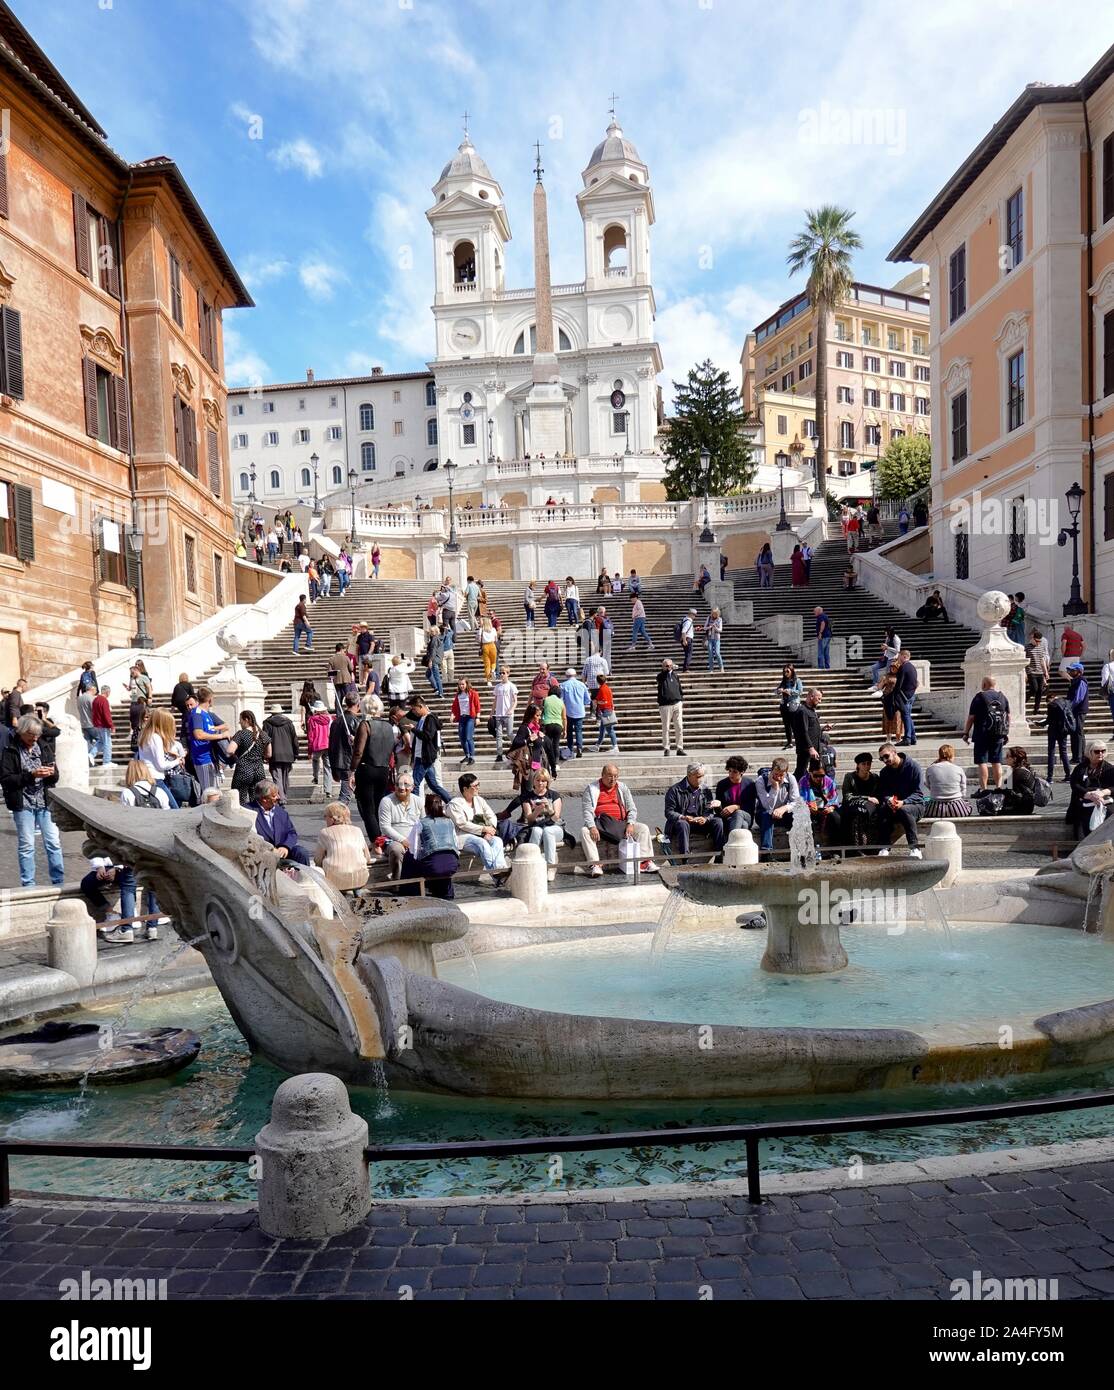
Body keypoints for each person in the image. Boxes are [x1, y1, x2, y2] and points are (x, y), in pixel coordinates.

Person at [1, 714, 64, 888]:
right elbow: (6, 780)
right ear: (21, 732)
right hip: (23, 804)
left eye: (37, 734)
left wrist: (51, 774)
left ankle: (59, 881)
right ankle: (28, 884)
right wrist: (31, 775)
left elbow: (56, 776)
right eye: (31, 734)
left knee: (53, 842)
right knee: (27, 845)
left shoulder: (43, 747)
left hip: (45, 802)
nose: (34, 738)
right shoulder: (10, 750)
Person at [577, 763, 658, 877]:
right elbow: (587, 811)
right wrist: (592, 827)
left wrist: (630, 823)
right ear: (602, 775)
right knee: (584, 831)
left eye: (616, 776)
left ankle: (644, 862)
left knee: (643, 829)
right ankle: (595, 864)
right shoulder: (592, 789)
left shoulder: (622, 787)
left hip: (621, 824)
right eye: (610, 776)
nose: (613, 779)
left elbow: (632, 808)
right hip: (601, 826)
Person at [448, 773, 509, 883]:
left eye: (478, 784)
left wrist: (490, 831)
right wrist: (483, 829)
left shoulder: (479, 800)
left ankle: (500, 870)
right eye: (475, 786)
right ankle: (497, 874)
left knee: (498, 841)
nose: (478, 788)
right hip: (463, 836)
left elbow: (492, 816)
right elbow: (462, 824)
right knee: (482, 843)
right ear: (465, 788)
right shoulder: (454, 804)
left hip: (484, 834)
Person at [505, 769, 563, 881]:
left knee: (548, 831)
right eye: (538, 780)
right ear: (534, 781)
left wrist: (549, 808)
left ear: (547, 782)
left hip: (555, 828)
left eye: (544, 781)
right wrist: (536, 811)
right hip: (537, 826)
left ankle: (550, 867)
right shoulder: (527, 797)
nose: (540, 783)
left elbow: (556, 818)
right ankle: (532, 862)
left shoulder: (554, 795)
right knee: (536, 830)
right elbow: (530, 820)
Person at [399, 794, 460, 898]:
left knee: (409, 856)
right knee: (442, 861)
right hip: (453, 865)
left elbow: (414, 849)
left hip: (433, 866)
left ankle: (409, 891)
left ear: (426, 808)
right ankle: (446, 893)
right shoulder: (449, 821)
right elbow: (456, 844)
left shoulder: (421, 823)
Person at [665, 762, 727, 858]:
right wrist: (683, 817)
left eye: (702, 776)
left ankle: (719, 856)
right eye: (698, 777)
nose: (701, 779)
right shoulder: (675, 790)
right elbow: (669, 812)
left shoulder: (705, 790)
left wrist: (705, 818)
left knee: (718, 821)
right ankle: (685, 857)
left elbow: (709, 810)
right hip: (682, 823)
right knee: (682, 823)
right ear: (689, 775)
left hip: (699, 822)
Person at [875, 743, 925, 858]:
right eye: (881, 758)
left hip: (915, 805)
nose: (884, 760)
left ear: (894, 752)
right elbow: (884, 793)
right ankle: (884, 847)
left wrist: (904, 802)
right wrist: (889, 800)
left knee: (904, 810)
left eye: (886, 756)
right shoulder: (884, 772)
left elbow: (918, 793)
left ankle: (914, 848)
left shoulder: (913, 767)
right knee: (882, 810)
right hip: (894, 805)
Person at [312, 802, 372, 894]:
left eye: (325, 816)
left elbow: (317, 860)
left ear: (332, 818)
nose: (324, 819)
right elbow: (367, 858)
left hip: (334, 880)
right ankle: (357, 892)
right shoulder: (357, 830)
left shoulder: (325, 832)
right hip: (361, 878)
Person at [249, 779, 311, 865]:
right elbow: (249, 837)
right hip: (262, 852)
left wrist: (285, 846)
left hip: (282, 851)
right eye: (274, 796)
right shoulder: (248, 811)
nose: (278, 797)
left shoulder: (281, 812)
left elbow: (291, 832)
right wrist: (269, 849)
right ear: (264, 799)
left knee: (301, 853)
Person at [964, 676, 1009, 790]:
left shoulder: (979, 697)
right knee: (996, 762)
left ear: (984, 684)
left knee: (982, 762)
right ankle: (998, 787)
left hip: (982, 734)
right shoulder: (1003, 697)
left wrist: (966, 732)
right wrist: (1006, 731)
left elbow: (971, 717)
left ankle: (984, 789)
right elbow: (1008, 716)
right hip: (998, 734)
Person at [137, 708, 185, 808]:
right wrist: (177, 761)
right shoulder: (155, 737)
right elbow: (161, 765)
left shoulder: (145, 735)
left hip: (146, 776)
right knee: (174, 808)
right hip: (155, 778)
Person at [408, 694, 452, 802]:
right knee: (433, 785)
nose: (414, 712)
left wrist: (413, 729)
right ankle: (450, 802)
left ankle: (416, 810)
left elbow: (427, 736)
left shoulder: (429, 718)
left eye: (414, 709)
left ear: (421, 706)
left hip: (424, 757)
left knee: (415, 784)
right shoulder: (422, 718)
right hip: (421, 756)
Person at [188, 687, 231, 795]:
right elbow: (198, 734)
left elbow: (206, 731)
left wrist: (215, 730)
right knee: (210, 794)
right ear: (210, 699)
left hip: (210, 756)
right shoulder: (197, 713)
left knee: (214, 792)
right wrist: (221, 736)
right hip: (203, 758)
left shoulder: (206, 714)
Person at [1066, 741, 1114, 840]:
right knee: (1084, 812)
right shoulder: (1080, 768)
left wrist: (1102, 793)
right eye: (1097, 751)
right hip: (1084, 799)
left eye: (1103, 751)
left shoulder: (1110, 769)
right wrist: (1089, 795)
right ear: (1089, 752)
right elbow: (1075, 785)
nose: (1100, 754)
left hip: (1104, 800)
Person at [378, 770, 421, 878]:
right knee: (396, 850)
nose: (402, 788)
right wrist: (403, 840)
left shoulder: (419, 801)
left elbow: (424, 822)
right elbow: (385, 827)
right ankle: (397, 881)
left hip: (415, 838)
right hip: (394, 839)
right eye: (398, 784)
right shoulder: (386, 801)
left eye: (406, 785)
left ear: (412, 787)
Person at [755, 758, 798, 853]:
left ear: (786, 773)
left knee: (798, 816)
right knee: (766, 815)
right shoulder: (761, 781)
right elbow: (767, 806)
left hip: (783, 813)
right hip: (764, 814)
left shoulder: (791, 779)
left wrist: (784, 808)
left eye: (781, 775)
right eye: (776, 774)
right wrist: (775, 788)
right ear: (771, 770)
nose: (778, 778)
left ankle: (799, 851)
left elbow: (796, 802)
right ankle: (767, 852)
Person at [840, 753, 881, 850]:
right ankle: (855, 846)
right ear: (858, 765)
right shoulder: (850, 777)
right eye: (864, 764)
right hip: (853, 806)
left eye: (869, 763)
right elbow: (847, 796)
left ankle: (871, 846)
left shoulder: (875, 778)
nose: (867, 766)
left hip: (869, 807)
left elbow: (878, 796)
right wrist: (866, 798)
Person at [260, 703, 299, 802]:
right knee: (285, 777)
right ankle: (283, 795)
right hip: (288, 754)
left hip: (275, 754)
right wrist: (295, 752)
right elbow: (294, 738)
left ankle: (281, 798)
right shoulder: (289, 723)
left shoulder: (267, 723)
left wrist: (264, 754)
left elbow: (264, 740)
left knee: (277, 777)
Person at [228, 710, 267, 807]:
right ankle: (258, 818)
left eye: (240, 720)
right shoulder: (262, 734)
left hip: (244, 769)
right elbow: (269, 753)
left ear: (246, 720)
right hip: (259, 770)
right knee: (257, 799)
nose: (239, 722)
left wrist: (236, 756)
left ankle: (241, 819)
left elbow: (230, 750)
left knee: (239, 799)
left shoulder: (241, 734)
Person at [800, 760, 842, 849]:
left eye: (821, 776)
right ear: (810, 772)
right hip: (809, 809)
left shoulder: (828, 781)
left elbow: (834, 797)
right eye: (816, 776)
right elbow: (801, 798)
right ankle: (808, 849)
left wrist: (831, 807)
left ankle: (835, 849)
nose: (819, 778)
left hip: (825, 808)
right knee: (805, 819)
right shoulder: (803, 781)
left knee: (836, 818)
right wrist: (808, 807)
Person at [791, 688, 829, 782]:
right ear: (811, 696)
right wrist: (810, 748)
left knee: (815, 773)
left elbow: (811, 729)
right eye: (818, 699)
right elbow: (803, 731)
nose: (820, 701)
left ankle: (814, 792)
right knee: (801, 772)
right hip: (806, 749)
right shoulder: (802, 711)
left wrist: (822, 729)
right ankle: (791, 790)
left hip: (815, 749)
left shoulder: (811, 710)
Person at [925, 744, 972, 817]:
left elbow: (928, 785)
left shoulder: (930, 769)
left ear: (939, 756)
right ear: (952, 756)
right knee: (968, 804)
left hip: (935, 809)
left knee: (925, 803)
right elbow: (963, 791)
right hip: (957, 808)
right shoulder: (958, 769)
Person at [508, 703, 545, 791]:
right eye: (537, 715)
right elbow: (516, 742)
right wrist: (528, 740)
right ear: (531, 715)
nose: (539, 718)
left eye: (540, 715)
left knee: (536, 793)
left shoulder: (537, 728)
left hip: (538, 764)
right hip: (528, 766)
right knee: (527, 793)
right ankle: (512, 806)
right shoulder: (524, 728)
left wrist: (543, 737)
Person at [713, 757, 753, 835]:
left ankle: (731, 841)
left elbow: (750, 807)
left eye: (735, 772)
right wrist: (717, 805)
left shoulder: (750, 784)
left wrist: (736, 807)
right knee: (743, 825)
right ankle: (737, 844)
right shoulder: (722, 784)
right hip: (728, 818)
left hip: (746, 815)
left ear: (742, 772)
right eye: (729, 771)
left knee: (738, 813)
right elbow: (719, 809)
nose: (731, 774)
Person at [559, 666, 591, 759]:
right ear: (575, 675)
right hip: (579, 711)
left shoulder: (563, 685)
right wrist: (581, 703)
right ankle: (579, 749)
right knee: (579, 731)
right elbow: (587, 700)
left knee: (569, 731)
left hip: (568, 711)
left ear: (566, 675)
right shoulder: (582, 685)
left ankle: (570, 749)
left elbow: (561, 700)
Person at [657, 658, 685, 756]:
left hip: (677, 703)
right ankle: (666, 748)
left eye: (670, 665)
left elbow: (679, 687)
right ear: (663, 667)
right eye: (667, 666)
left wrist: (681, 698)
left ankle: (680, 748)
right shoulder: (661, 676)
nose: (669, 667)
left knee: (679, 726)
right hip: (665, 705)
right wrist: (665, 670)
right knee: (666, 727)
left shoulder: (675, 675)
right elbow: (660, 678)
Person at [491, 667, 518, 764]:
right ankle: (499, 754)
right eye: (500, 673)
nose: (502, 675)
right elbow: (495, 701)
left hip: (508, 714)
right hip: (498, 714)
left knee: (510, 734)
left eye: (503, 673)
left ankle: (519, 747)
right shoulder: (497, 686)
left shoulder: (511, 686)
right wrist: (491, 712)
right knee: (499, 735)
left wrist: (511, 709)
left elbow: (515, 701)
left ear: (508, 674)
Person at [306, 700, 334, 795]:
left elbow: (310, 736)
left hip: (317, 745)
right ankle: (328, 790)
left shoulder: (311, 720)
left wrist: (309, 751)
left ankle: (316, 777)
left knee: (315, 760)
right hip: (328, 744)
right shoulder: (330, 718)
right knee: (328, 767)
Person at [451, 678, 480, 767]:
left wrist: (478, 718)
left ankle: (472, 756)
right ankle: (467, 755)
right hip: (462, 718)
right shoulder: (458, 695)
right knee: (462, 738)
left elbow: (477, 706)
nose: (461, 686)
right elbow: (454, 707)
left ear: (467, 684)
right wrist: (452, 715)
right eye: (460, 684)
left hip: (470, 718)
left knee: (468, 737)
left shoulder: (473, 693)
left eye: (463, 684)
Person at [1002, 746, 1039, 816]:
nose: (1005, 758)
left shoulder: (1018, 772)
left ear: (1014, 759)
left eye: (1007, 756)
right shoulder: (1023, 770)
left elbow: (1004, 789)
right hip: (1026, 806)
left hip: (1019, 808)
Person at [893, 649, 919, 745]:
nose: (898, 658)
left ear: (904, 656)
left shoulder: (903, 667)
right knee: (908, 716)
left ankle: (907, 738)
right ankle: (913, 737)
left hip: (904, 696)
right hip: (911, 695)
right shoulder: (912, 667)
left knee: (906, 716)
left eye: (899, 656)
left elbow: (899, 684)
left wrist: (894, 695)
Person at [776, 664, 803, 751]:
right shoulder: (783, 681)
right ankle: (789, 742)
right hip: (784, 705)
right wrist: (779, 691)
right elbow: (775, 691)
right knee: (787, 725)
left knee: (795, 725)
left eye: (787, 671)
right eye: (784, 671)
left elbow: (800, 691)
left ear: (792, 671)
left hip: (793, 704)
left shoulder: (797, 680)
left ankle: (799, 742)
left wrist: (790, 691)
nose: (785, 673)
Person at [1067, 662, 1090, 765]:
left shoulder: (1081, 681)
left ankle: (1079, 757)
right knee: (1075, 733)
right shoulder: (1074, 681)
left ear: (1079, 672)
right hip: (1074, 710)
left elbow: (1078, 698)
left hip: (1079, 710)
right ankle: (1077, 756)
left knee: (1078, 733)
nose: (1070, 672)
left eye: (1073, 670)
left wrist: (1068, 707)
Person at [1028, 628, 1051, 717]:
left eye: (1039, 641)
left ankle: (1036, 709)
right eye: (1037, 641)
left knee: (1040, 690)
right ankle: (1024, 700)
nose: (1038, 643)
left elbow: (1042, 661)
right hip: (1031, 671)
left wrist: (1046, 673)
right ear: (1032, 638)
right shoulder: (1026, 647)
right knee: (1034, 689)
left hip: (1040, 671)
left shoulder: (1040, 647)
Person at [594, 673, 619, 752]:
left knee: (609, 729)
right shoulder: (606, 688)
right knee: (602, 729)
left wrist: (597, 702)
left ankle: (615, 746)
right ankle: (597, 745)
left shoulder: (602, 689)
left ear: (597, 681)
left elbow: (604, 701)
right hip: (607, 710)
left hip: (606, 710)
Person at [327, 643, 353, 709]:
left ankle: (338, 713)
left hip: (337, 680)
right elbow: (351, 668)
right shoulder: (346, 657)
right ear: (341, 649)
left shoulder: (331, 659)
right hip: (346, 679)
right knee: (348, 696)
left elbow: (329, 672)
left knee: (338, 697)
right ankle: (350, 709)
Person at [77, 683, 98, 765]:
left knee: (87, 743)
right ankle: (91, 754)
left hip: (83, 723)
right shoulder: (91, 698)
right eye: (95, 690)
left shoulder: (79, 698)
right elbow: (95, 711)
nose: (96, 692)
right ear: (91, 689)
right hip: (92, 723)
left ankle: (89, 762)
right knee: (101, 740)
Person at [705, 608, 726, 672]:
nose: (713, 615)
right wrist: (709, 627)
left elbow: (720, 630)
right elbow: (704, 627)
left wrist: (715, 627)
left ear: (717, 614)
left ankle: (721, 667)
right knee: (710, 654)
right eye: (712, 613)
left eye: (715, 614)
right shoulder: (708, 618)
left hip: (717, 639)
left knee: (717, 653)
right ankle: (711, 669)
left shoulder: (719, 619)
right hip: (710, 638)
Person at [679, 608, 696, 672]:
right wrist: (684, 640)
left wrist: (695, 629)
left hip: (686, 638)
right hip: (687, 639)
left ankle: (685, 668)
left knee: (687, 654)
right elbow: (683, 632)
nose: (695, 617)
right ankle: (686, 669)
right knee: (689, 654)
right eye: (694, 615)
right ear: (691, 614)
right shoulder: (688, 621)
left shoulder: (685, 620)